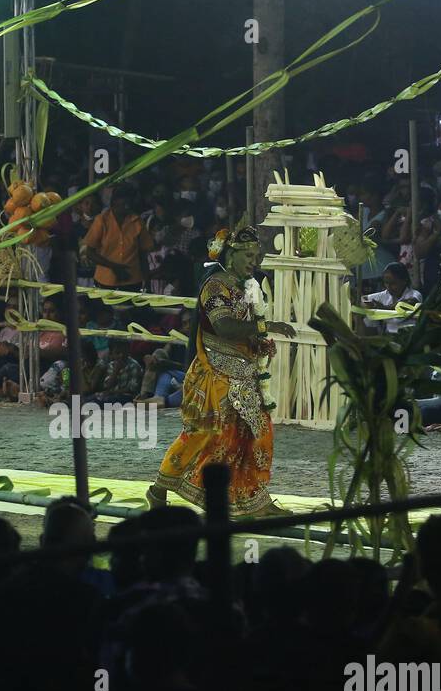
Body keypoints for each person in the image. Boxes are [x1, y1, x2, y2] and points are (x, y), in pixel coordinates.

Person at [148, 225, 294, 518]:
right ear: (230, 256)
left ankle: (253, 499)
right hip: (217, 372)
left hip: (244, 372)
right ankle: (159, 489)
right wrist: (267, 327)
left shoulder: (246, 287)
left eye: (256, 255)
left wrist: (259, 343)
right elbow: (225, 326)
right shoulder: (215, 286)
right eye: (248, 256)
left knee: (253, 434)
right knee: (206, 435)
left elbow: (244, 327)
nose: (254, 261)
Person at [82, 184, 153, 293]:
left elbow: (143, 255)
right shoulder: (102, 220)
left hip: (132, 281)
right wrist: (114, 267)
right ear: (114, 202)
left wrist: (147, 283)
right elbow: (89, 252)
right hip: (105, 280)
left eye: (129, 203)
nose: (127, 206)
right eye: (124, 204)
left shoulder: (137, 222)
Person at [362, 262, 421, 334]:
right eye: (386, 283)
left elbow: (410, 302)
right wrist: (367, 306)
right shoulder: (385, 294)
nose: (389, 287)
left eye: (393, 283)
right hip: (388, 338)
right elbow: (363, 299)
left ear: (404, 281)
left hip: (407, 338)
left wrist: (384, 308)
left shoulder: (414, 294)